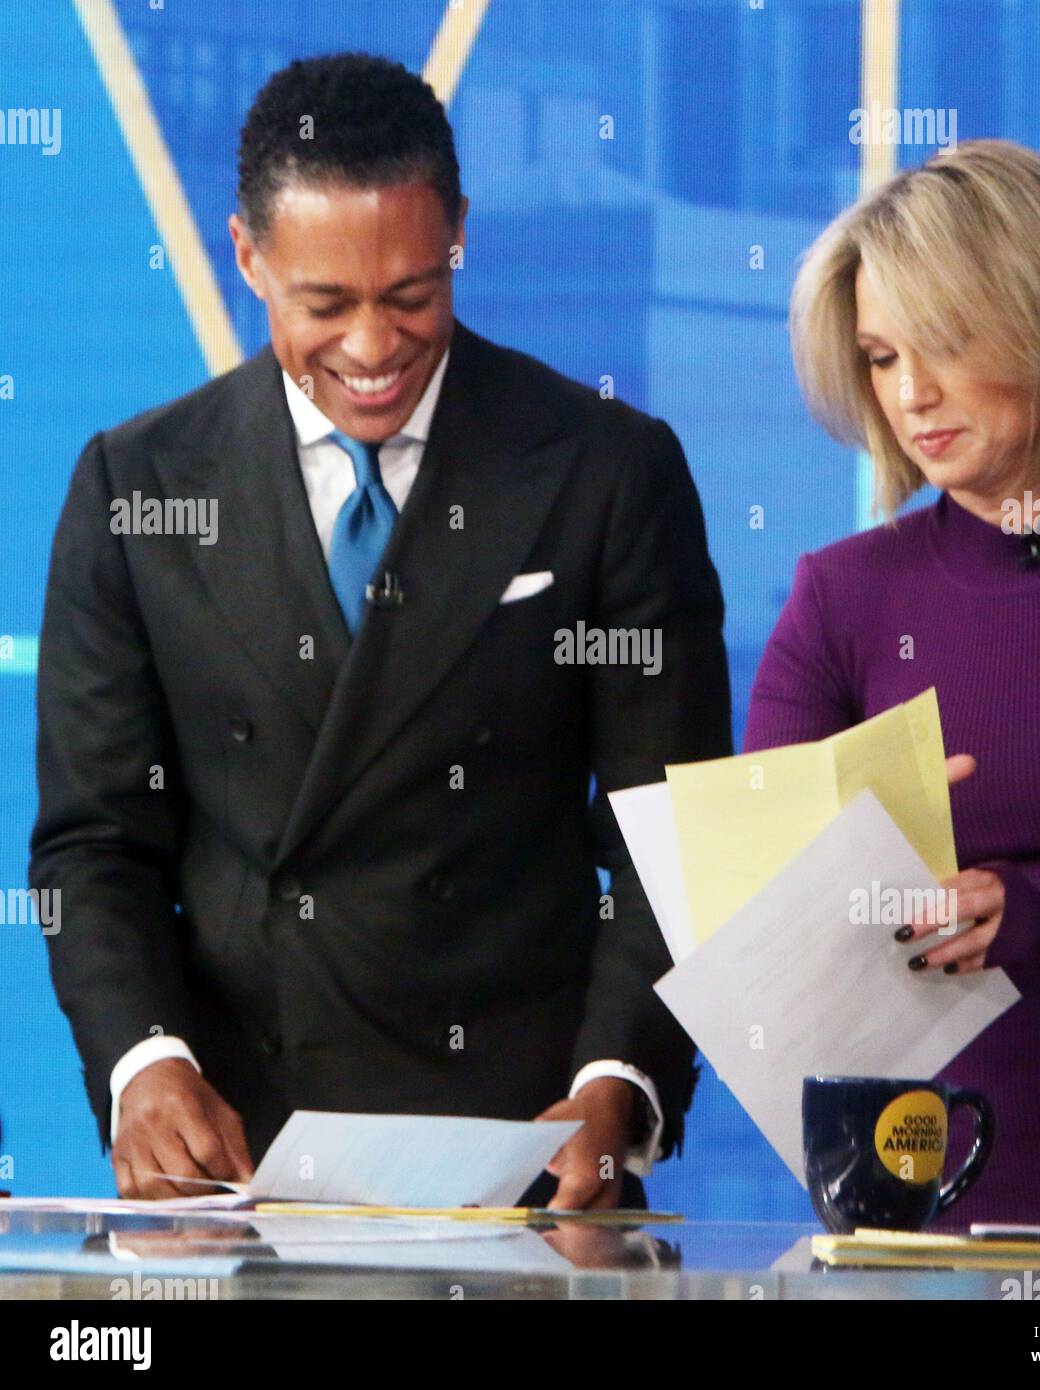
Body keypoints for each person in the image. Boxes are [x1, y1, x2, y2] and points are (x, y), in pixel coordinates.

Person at [30, 54, 731, 1209]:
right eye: (324, 304)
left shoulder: (609, 471)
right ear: (247, 256)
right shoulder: (134, 484)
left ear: (458, 233)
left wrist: (618, 1084)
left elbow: (669, 834)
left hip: (529, 1162)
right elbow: (94, 846)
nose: (371, 348)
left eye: (411, 294)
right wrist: (145, 1065)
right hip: (239, 1164)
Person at [745, 139, 1040, 1228]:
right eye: (882, 357)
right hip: (913, 1209)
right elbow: (750, 930)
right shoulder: (838, 596)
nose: (912, 394)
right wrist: (845, 864)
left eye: (945, 344)